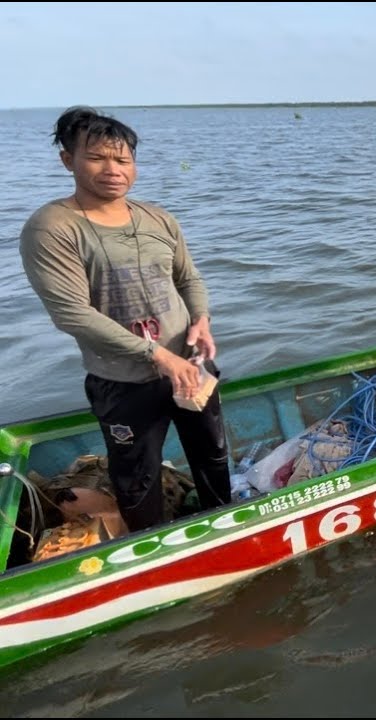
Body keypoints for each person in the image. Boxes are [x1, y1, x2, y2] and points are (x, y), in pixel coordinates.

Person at [19, 106, 231, 534]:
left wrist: (201, 320)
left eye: (123, 159)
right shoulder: (53, 227)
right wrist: (156, 355)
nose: (113, 170)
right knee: (137, 477)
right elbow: (72, 314)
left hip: (189, 367)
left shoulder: (157, 218)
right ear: (68, 160)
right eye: (97, 157)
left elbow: (188, 278)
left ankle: (224, 521)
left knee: (212, 454)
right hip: (123, 380)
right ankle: (146, 545)